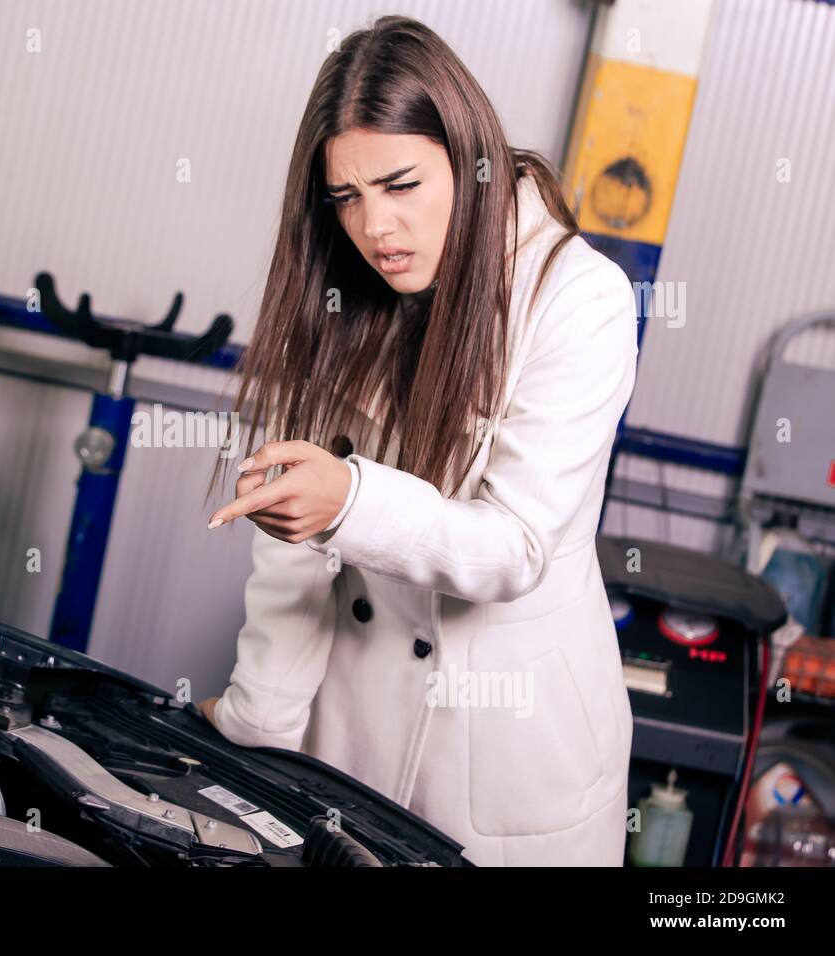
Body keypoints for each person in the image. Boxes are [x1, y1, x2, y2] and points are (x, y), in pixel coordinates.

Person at [199, 16, 638, 866]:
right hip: (350, 743)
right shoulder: (340, 291)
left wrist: (350, 503)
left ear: (469, 158)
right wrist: (258, 725)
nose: (376, 229)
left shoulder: (580, 298)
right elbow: (296, 556)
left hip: (509, 758)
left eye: (401, 185)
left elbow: (513, 548)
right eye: (347, 197)